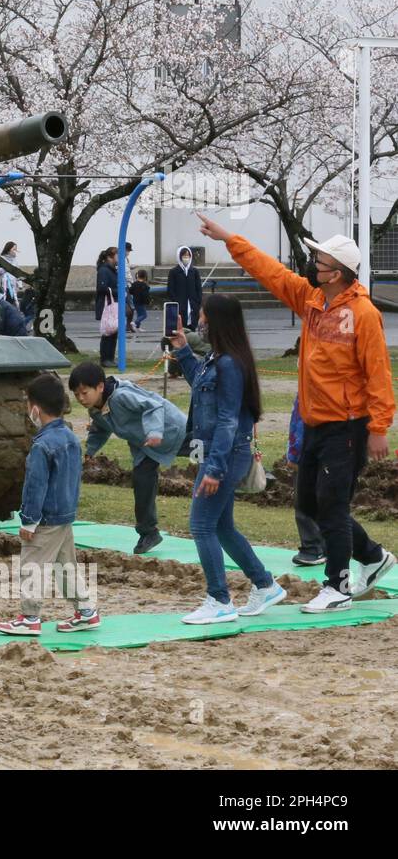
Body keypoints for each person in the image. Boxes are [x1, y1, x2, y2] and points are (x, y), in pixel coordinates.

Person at [200, 218, 396, 611]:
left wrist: (379, 427)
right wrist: (230, 240)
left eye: (318, 260)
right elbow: (270, 271)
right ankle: (374, 557)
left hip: (348, 425)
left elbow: (378, 372)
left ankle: (337, 586)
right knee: (309, 503)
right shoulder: (310, 298)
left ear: (336, 273)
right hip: (314, 422)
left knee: (333, 505)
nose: (311, 264)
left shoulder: (363, 313)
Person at [169, 296, 287, 624]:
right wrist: (181, 349)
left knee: (201, 524)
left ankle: (219, 599)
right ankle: (264, 584)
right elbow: (201, 387)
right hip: (219, 452)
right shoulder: (216, 358)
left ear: (217, 321)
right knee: (221, 526)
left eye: (203, 317)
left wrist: (215, 468)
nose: (199, 323)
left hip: (225, 453)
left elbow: (228, 420)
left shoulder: (230, 363)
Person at [0, 374, 100, 635]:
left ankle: (30, 617)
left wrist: (28, 520)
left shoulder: (42, 446)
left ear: (35, 408)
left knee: (32, 564)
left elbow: (35, 486)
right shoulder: (70, 437)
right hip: (65, 515)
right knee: (66, 565)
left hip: (45, 519)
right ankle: (86, 610)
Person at [70, 361, 186, 555]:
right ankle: (148, 533)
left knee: (209, 454)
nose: (81, 398)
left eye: (84, 392)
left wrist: (155, 431)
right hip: (145, 446)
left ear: (99, 387)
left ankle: (240, 463)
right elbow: (100, 428)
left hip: (172, 431)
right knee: (142, 481)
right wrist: (90, 450)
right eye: (76, 394)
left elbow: (154, 406)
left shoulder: (121, 396)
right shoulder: (95, 409)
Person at [286, 396, 325, 567]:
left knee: (306, 499)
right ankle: (319, 546)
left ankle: (314, 547)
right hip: (314, 447)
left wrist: (294, 453)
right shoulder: (305, 388)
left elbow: (300, 422)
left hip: (313, 449)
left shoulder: (312, 390)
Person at [95, 247, 120, 367]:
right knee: (108, 333)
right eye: (117, 255)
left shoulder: (113, 270)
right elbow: (101, 288)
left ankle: (110, 357)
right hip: (107, 305)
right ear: (110, 257)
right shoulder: (104, 270)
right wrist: (116, 291)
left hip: (113, 304)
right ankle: (105, 358)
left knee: (113, 332)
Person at [168, 246, 203, 330]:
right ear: (179, 257)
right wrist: (175, 300)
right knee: (181, 325)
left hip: (192, 303)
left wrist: (198, 300)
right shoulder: (174, 272)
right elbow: (170, 289)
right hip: (180, 303)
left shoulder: (194, 271)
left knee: (193, 324)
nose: (186, 258)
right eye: (184, 256)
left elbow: (198, 287)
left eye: (188, 256)